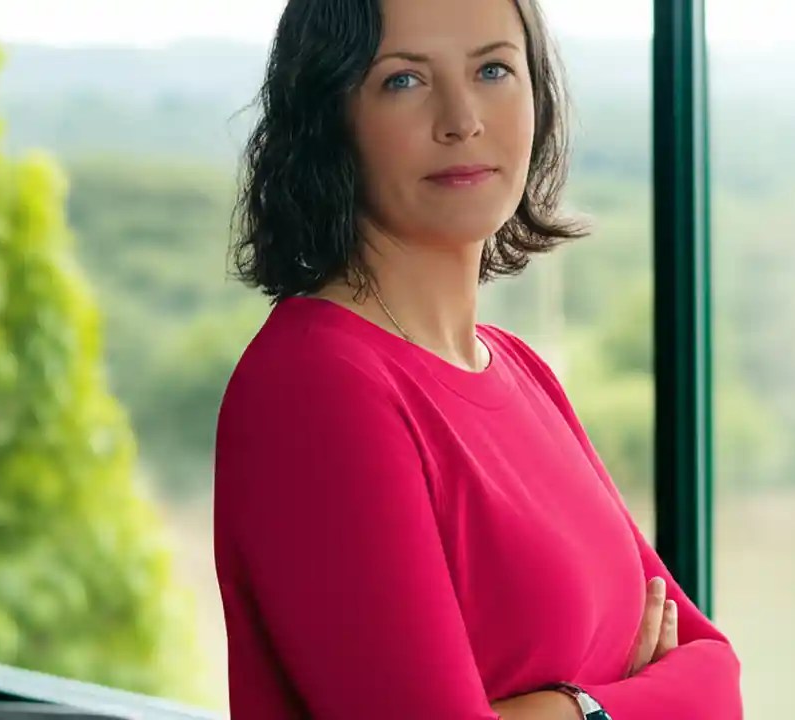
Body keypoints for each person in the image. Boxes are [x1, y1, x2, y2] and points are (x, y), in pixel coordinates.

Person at [213, 0, 743, 717]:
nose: (462, 118)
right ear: (330, 116)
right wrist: (603, 706)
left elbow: (715, 678)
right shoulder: (315, 385)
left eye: (493, 69)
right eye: (403, 81)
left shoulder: (521, 371)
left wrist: (558, 709)